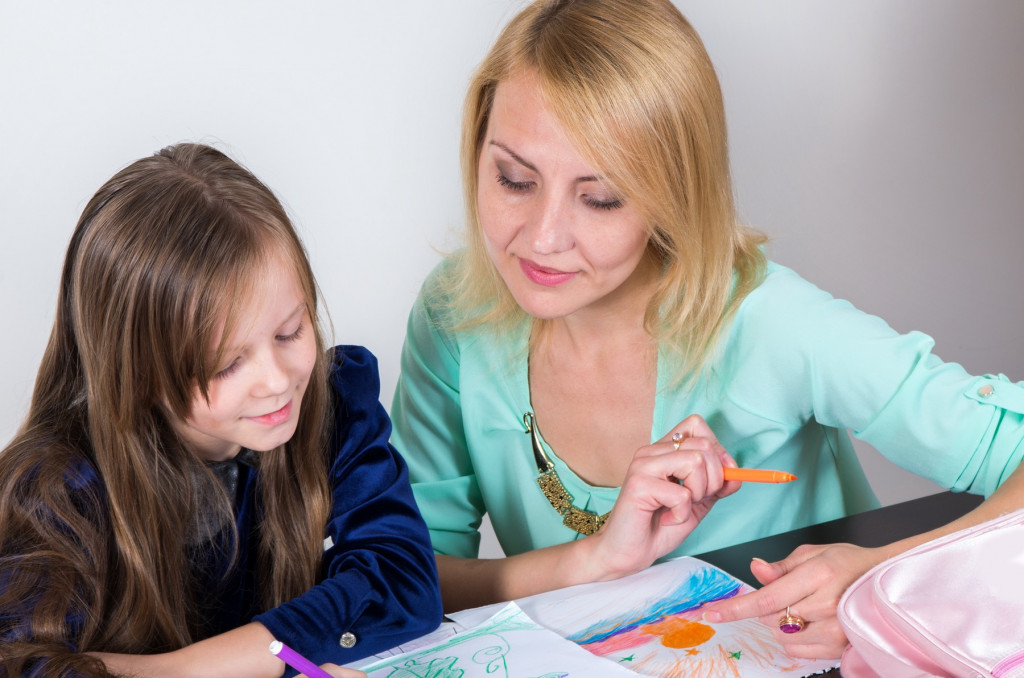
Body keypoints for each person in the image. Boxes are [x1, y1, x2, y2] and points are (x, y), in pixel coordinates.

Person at [389, 0, 1024, 660]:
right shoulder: (453, 313)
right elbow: (410, 579)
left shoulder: (772, 323)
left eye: (600, 196)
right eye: (514, 179)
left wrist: (882, 578)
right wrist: (594, 560)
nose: (543, 238)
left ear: (673, 191)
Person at [0, 143, 442, 677]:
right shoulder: (56, 491)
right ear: (136, 375)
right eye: (226, 365)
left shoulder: (333, 410)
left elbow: (402, 582)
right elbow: (23, 663)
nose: (277, 381)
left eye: (289, 332)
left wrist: (168, 668)